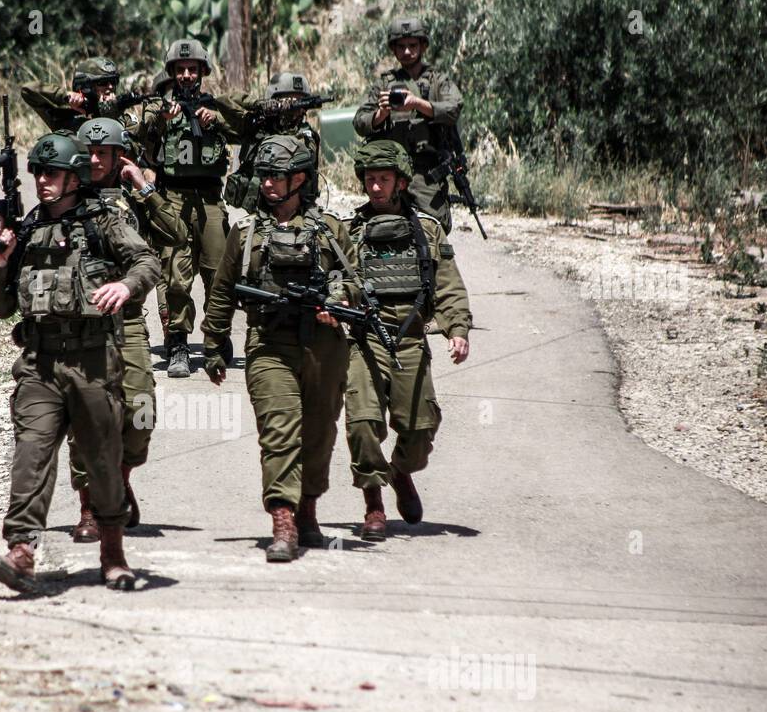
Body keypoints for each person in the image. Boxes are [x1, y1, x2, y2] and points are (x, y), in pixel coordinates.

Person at [0, 132, 160, 592]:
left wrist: (125, 286)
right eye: (39, 172)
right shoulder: (27, 230)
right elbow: (1, 308)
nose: (44, 181)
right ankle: (21, 551)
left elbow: (147, 261)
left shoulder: (103, 222)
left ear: (75, 176)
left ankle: (113, 549)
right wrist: (2, 263)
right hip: (40, 364)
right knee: (31, 454)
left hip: (93, 361)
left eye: (53, 173)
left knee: (102, 461)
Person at [200, 136, 360, 563]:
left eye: (277, 176)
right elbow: (222, 292)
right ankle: (283, 520)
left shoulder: (330, 229)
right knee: (279, 432)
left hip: (325, 346)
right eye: (264, 176)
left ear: (300, 179)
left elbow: (358, 281)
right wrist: (213, 345)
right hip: (269, 344)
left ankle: (308, 510)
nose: (268, 184)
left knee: (321, 433)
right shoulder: (246, 233)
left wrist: (340, 302)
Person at [56, 117, 188, 541]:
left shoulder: (134, 198)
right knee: (87, 419)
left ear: (119, 156)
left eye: (104, 153)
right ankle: (90, 506)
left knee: (141, 411)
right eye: (89, 153)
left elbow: (178, 234)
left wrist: (144, 188)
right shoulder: (66, 194)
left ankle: (119, 476)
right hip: (80, 323)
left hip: (127, 320)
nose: (94, 160)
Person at [342, 140, 471, 539]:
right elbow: (333, 279)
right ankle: (374, 505)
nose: (376, 187)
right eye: (370, 180)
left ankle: (400, 471)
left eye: (384, 179)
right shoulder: (348, 231)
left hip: (411, 339)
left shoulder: (428, 231)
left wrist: (458, 330)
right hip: (365, 339)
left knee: (419, 431)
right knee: (362, 424)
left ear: (400, 181)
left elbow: (448, 286)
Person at [136, 38, 248, 378]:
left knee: (218, 274)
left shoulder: (214, 107)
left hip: (211, 199)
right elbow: (140, 139)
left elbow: (247, 127)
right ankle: (179, 343)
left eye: (192, 70)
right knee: (175, 277)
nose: (186, 75)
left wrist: (216, 118)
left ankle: (217, 337)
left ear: (202, 72)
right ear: (172, 73)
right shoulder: (160, 109)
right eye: (180, 70)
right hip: (174, 199)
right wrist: (159, 120)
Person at [352, 17, 463, 232]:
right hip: (390, 170)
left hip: (426, 171)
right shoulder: (385, 83)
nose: (406, 51)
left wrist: (417, 103)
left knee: (434, 227)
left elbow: (453, 109)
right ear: (393, 49)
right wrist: (380, 114)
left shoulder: (438, 81)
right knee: (381, 226)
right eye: (401, 47)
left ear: (423, 46)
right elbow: (359, 121)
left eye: (412, 45)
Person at [227, 71, 324, 213]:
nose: (295, 108)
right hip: (260, 209)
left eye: (300, 102)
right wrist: (257, 105)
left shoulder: (308, 136)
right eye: (289, 100)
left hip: (296, 209)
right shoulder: (258, 126)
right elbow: (224, 102)